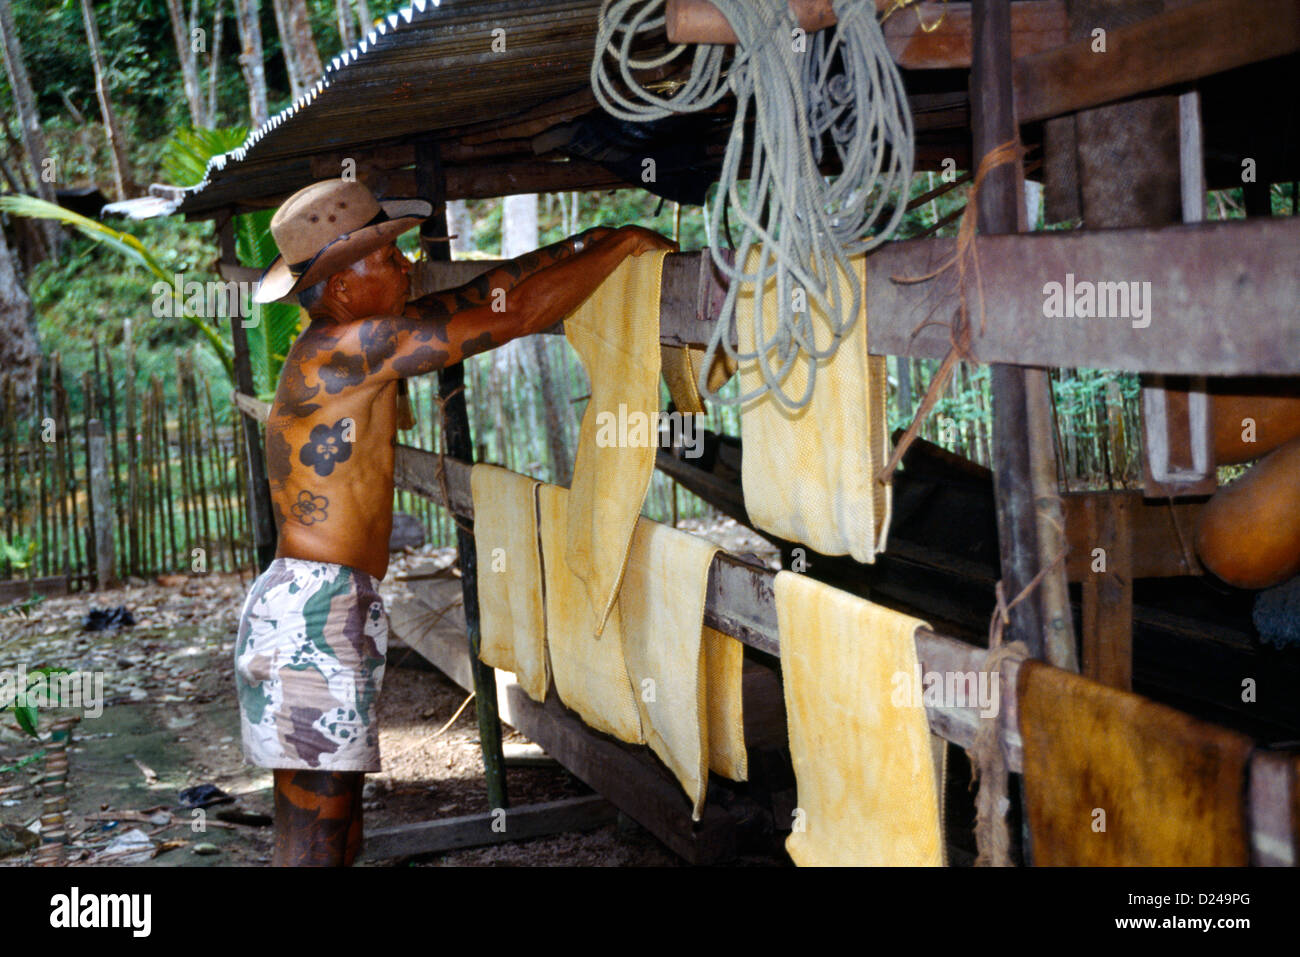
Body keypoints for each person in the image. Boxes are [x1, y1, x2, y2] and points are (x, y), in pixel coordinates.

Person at [234, 178, 675, 865]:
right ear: (344, 289)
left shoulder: (356, 338)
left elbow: (487, 293)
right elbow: (519, 312)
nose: (406, 264)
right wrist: (620, 243)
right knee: (316, 834)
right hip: (313, 615)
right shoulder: (351, 347)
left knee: (337, 820)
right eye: (387, 258)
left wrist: (594, 239)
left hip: (322, 604)